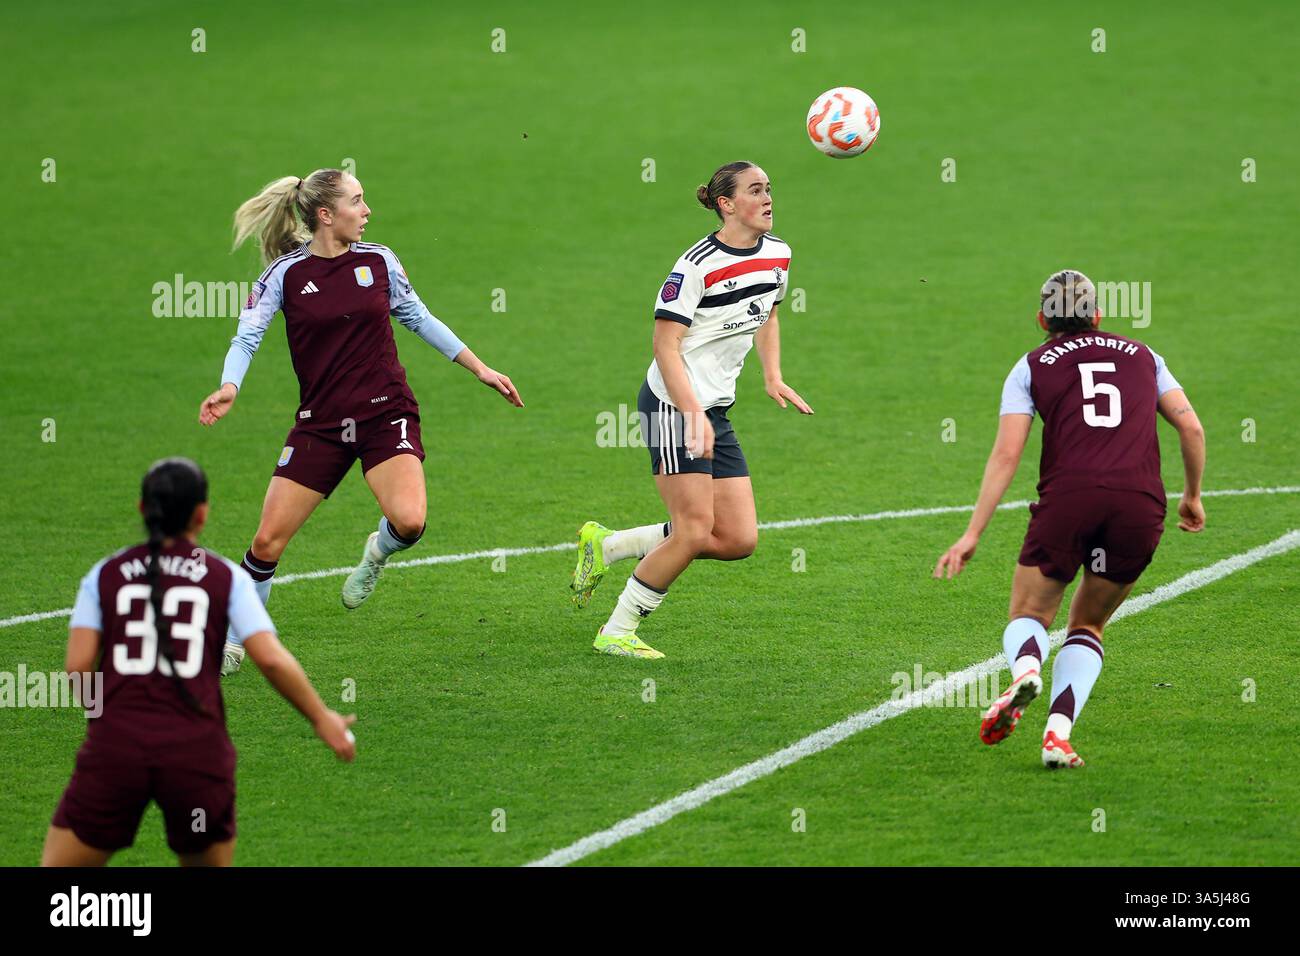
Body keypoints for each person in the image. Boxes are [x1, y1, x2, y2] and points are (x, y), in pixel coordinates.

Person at [199, 169, 523, 674]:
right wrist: (229, 385)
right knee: (266, 542)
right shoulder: (284, 275)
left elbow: (417, 315)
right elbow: (247, 336)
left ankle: (376, 553)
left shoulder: (379, 260)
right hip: (320, 424)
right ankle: (239, 639)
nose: (367, 210)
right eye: (357, 200)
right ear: (326, 215)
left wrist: (480, 368)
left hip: (384, 414)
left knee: (410, 522)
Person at [933, 270, 1206, 768]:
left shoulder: (1032, 365)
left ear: (1042, 318)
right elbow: (1190, 424)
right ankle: (1057, 736)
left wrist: (973, 532)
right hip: (1139, 505)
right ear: (1098, 315)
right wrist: (1191, 495)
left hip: (1070, 499)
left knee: (1030, 614)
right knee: (1088, 625)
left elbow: (1006, 455)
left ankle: (1026, 670)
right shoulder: (1145, 356)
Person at [42, 458, 354, 866]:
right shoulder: (226, 577)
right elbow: (271, 661)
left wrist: (107, 718)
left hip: (117, 751)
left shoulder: (105, 574)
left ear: (142, 509)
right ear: (202, 514)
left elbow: (78, 668)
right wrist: (320, 718)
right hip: (195, 754)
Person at [570, 161, 812, 658]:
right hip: (672, 405)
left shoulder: (779, 254)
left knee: (738, 538)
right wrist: (691, 413)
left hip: (713, 410)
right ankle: (617, 631)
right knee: (695, 530)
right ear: (726, 204)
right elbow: (665, 345)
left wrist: (772, 375)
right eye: (755, 191)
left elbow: (766, 312)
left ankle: (609, 546)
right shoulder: (695, 267)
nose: (768, 199)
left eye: (769, 189)